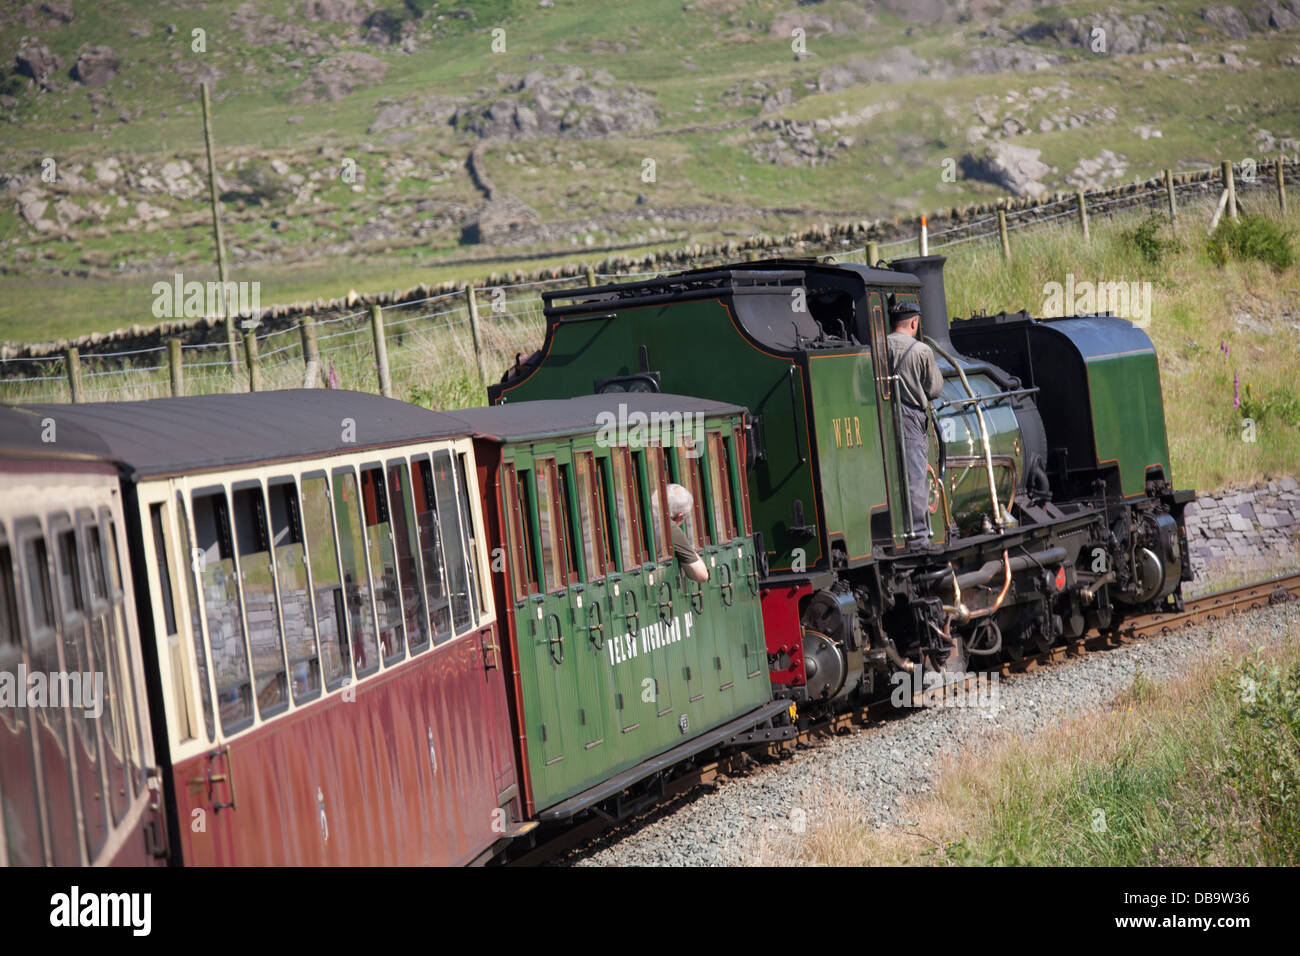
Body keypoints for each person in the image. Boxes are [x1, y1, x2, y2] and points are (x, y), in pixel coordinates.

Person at [886, 296, 944, 547]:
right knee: (915, 474)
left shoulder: (879, 347)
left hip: (883, 414)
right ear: (913, 323)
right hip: (911, 415)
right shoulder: (921, 350)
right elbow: (934, 389)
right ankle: (919, 535)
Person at [666, 483, 709, 583]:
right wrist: (687, 549)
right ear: (679, 516)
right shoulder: (671, 529)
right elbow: (702, 575)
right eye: (685, 517)